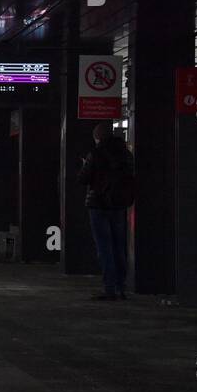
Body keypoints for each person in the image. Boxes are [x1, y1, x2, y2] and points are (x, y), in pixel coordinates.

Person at [76, 122, 135, 301]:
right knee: (119, 245)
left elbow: (83, 179)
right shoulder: (126, 154)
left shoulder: (95, 154)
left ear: (97, 137)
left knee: (104, 247)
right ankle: (121, 287)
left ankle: (109, 288)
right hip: (119, 204)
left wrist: (85, 165)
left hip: (98, 205)